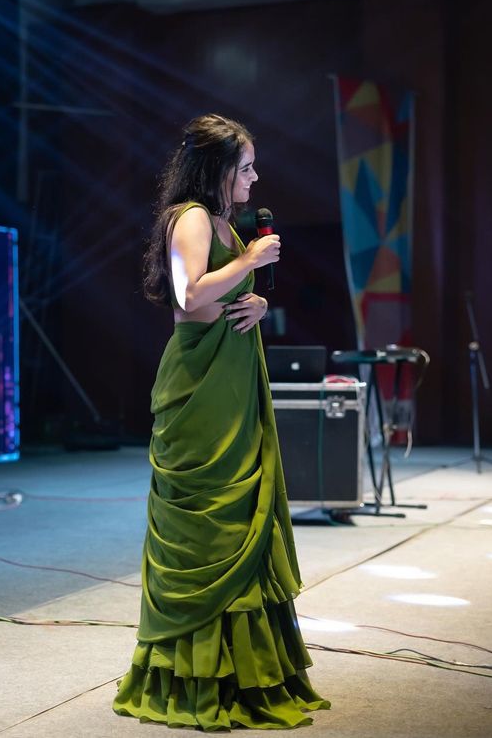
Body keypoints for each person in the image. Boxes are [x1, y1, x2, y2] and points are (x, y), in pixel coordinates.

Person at [112, 114, 330, 730]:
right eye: (247, 167)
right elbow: (189, 296)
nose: (255, 178)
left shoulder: (222, 223)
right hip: (201, 391)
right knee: (209, 523)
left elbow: (218, 293)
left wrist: (257, 297)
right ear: (218, 169)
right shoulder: (190, 216)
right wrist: (253, 260)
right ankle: (194, 676)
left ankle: (242, 673)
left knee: (240, 520)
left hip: (231, 382)